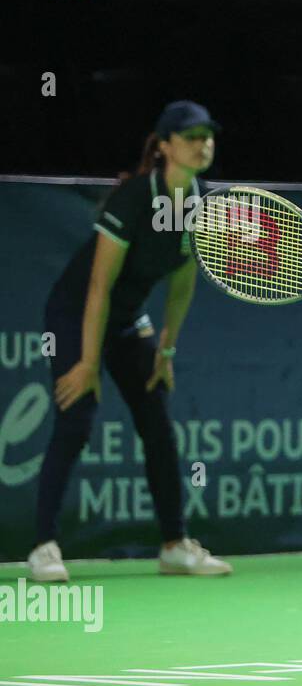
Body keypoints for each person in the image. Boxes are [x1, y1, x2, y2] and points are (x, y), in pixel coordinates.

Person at [29, 101, 233, 581]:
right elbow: (99, 286)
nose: (203, 144)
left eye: (208, 135)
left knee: (157, 421)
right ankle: (43, 547)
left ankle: (173, 545)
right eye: (190, 136)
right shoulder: (135, 198)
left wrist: (165, 350)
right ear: (163, 146)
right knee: (76, 417)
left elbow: (183, 280)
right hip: (75, 312)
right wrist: (85, 361)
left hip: (126, 318)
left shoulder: (198, 201)